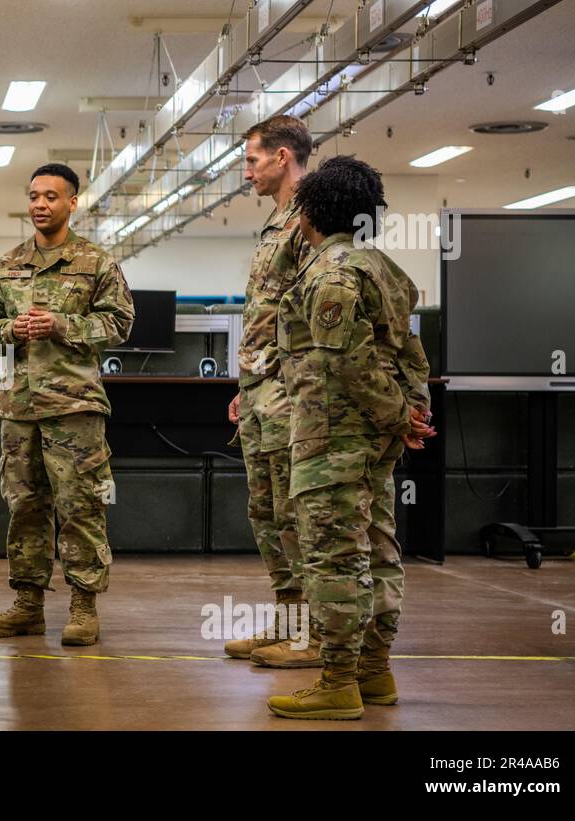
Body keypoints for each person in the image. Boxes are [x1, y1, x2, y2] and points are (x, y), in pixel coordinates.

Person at [267, 155, 435, 719]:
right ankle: (375, 671)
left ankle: (338, 681)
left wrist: (395, 416)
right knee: (380, 550)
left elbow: (347, 364)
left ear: (307, 211)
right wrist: (412, 413)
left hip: (334, 440)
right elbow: (412, 354)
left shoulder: (329, 274)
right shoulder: (385, 269)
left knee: (334, 558)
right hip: (373, 444)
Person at [0, 162, 135, 646]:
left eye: (51, 196)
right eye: (34, 195)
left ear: (71, 203)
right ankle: (28, 605)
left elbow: (120, 323)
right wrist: (9, 330)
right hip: (19, 411)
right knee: (24, 506)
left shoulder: (96, 262)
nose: (40, 204)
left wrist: (63, 325)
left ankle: (84, 606)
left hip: (74, 410)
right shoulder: (7, 265)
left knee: (80, 505)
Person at [224, 115, 318, 667]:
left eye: (253, 160)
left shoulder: (311, 220)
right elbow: (266, 316)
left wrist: (282, 384)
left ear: (283, 157)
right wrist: (248, 385)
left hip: (290, 396)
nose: (247, 171)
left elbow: (308, 317)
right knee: (265, 512)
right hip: (262, 394)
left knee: (293, 513)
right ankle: (288, 623)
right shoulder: (275, 223)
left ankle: (311, 635)